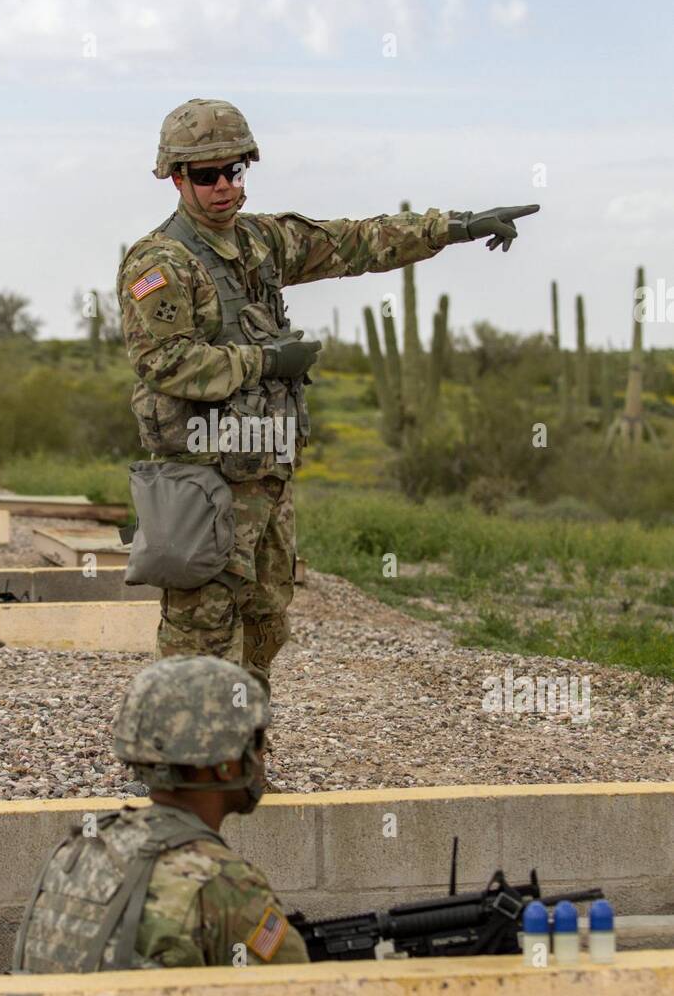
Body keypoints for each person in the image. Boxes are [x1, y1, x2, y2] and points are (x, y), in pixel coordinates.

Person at [117, 97, 539, 693]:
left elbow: (357, 241)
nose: (223, 187)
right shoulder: (159, 262)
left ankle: (241, 765)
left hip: (266, 476)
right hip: (200, 484)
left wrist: (457, 226)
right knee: (201, 637)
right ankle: (189, 774)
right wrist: (264, 360)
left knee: (265, 625)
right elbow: (162, 361)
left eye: (234, 171)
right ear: (177, 178)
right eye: (207, 175)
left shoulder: (263, 242)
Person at [13, 655, 310, 972]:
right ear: (224, 764)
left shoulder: (77, 854)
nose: (262, 756)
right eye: (256, 742)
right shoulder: (224, 885)